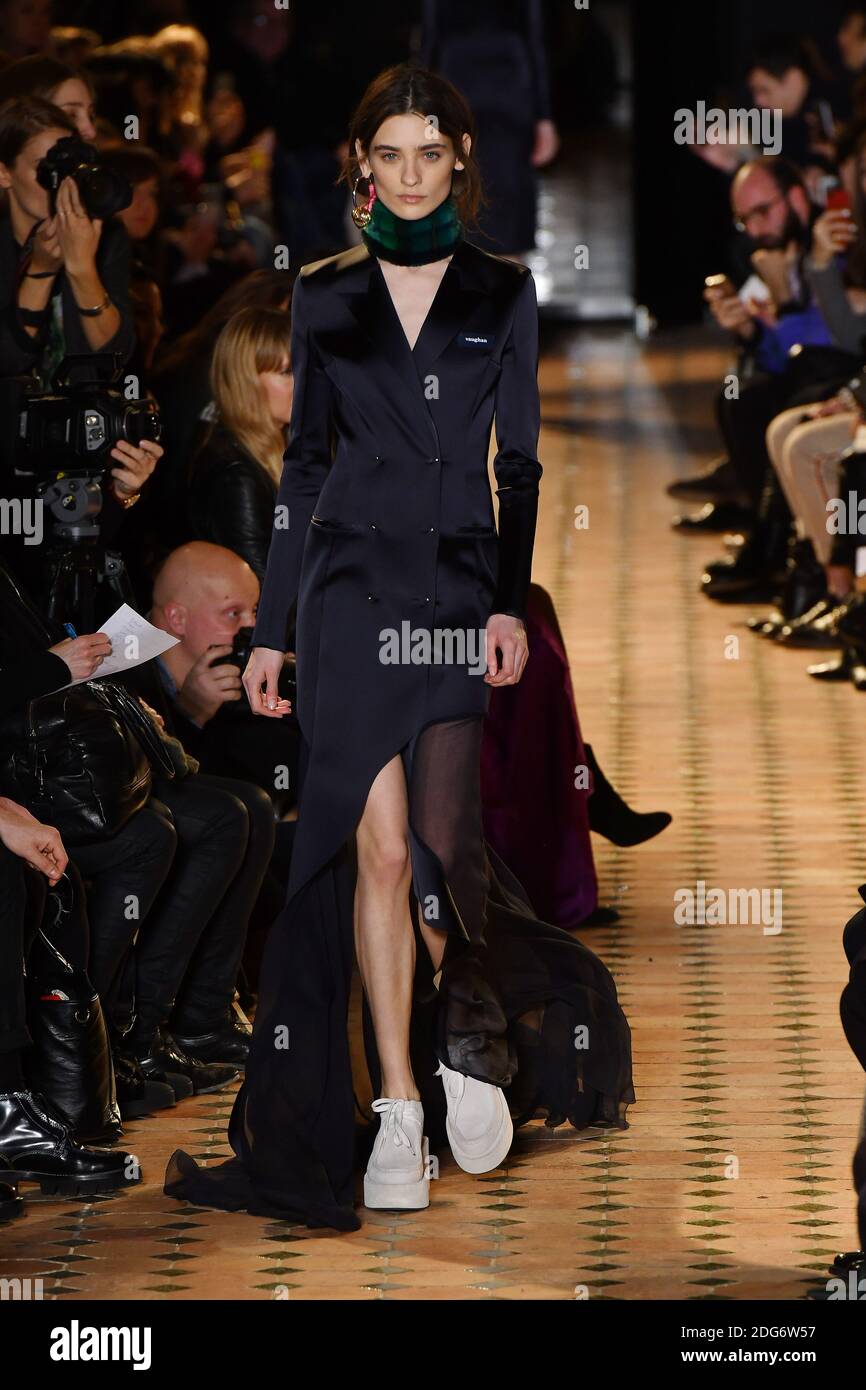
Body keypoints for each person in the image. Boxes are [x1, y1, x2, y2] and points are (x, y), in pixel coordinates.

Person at [165, 63, 633, 1232]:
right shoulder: (322, 295)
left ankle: (468, 1013)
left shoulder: (501, 292)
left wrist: (504, 609)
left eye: (432, 153)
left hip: (453, 586)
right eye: (392, 154)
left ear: (459, 161)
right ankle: (395, 1106)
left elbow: (514, 467)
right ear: (361, 165)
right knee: (376, 857)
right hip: (344, 598)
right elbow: (305, 471)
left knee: (440, 847)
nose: (412, 173)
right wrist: (273, 628)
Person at [185, 306, 293, 581]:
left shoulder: (285, 443)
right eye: (287, 372)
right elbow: (265, 592)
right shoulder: (236, 471)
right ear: (247, 380)